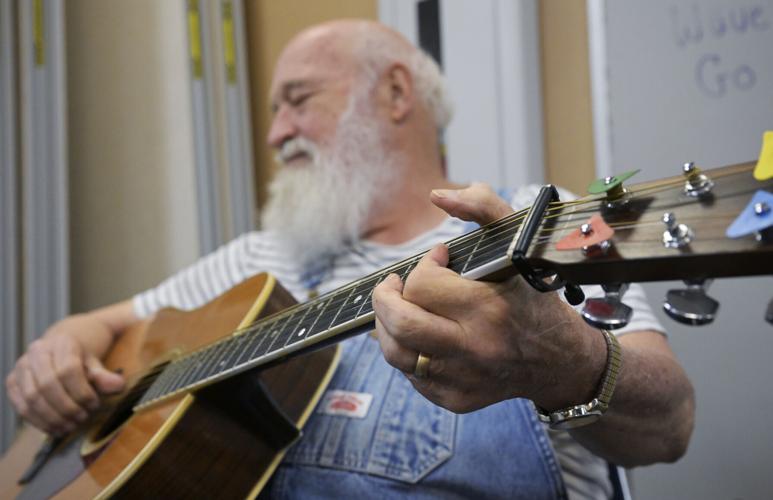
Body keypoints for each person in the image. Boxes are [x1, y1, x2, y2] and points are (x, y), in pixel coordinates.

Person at [5, 19, 694, 499]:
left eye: (297, 100)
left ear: (395, 94)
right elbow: (101, 327)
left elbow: (668, 426)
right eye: (273, 110)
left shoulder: (541, 226)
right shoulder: (265, 259)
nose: (275, 133)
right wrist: (59, 352)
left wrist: (567, 363)